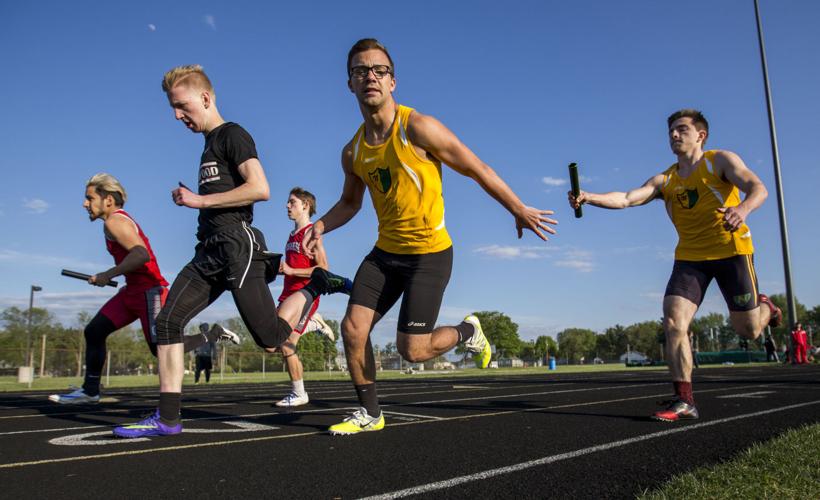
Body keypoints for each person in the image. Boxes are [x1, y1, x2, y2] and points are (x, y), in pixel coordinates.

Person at [303, 39, 558, 435]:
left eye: (379, 70)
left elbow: (476, 167)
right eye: (360, 71)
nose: (370, 76)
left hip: (429, 255)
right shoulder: (352, 152)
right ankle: (371, 414)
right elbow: (350, 203)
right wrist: (320, 225)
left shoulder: (417, 127)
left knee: (413, 350)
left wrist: (517, 208)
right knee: (352, 328)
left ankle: (468, 331)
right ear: (349, 83)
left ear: (392, 81)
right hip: (385, 254)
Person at [113, 65, 351, 438]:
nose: (177, 115)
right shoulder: (208, 145)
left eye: (182, 105)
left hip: (237, 247)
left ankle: (316, 283)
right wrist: (200, 206)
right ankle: (168, 419)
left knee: (271, 339)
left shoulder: (232, 135)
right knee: (168, 323)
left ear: (206, 98)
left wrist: (199, 200)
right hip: (209, 251)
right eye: (173, 108)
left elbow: (260, 188)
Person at [568, 109, 782, 422]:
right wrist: (588, 197)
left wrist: (743, 208)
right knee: (673, 321)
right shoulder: (666, 179)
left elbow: (758, 187)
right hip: (690, 258)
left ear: (701, 135)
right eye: (671, 131)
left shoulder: (719, 161)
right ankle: (684, 400)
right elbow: (627, 198)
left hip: (732, 252)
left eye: (682, 129)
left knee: (748, 330)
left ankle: (767, 308)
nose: (674, 135)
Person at [49, 174, 238, 405]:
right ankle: (90, 390)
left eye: (90, 198)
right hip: (131, 292)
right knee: (94, 331)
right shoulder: (113, 223)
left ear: (108, 200)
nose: (84, 204)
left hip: (150, 292)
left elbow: (141, 255)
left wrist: (107, 275)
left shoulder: (114, 221)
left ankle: (213, 334)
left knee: (161, 349)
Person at [267, 188, 337, 407]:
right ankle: (313, 324)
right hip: (287, 295)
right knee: (269, 344)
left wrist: (292, 270)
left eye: (292, 202)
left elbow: (323, 269)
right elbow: (293, 267)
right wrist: (279, 270)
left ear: (306, 205)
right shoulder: (292, 236)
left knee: (287, 344)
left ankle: (299, 393)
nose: (287, 206)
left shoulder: (313, 234)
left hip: (305, 295)